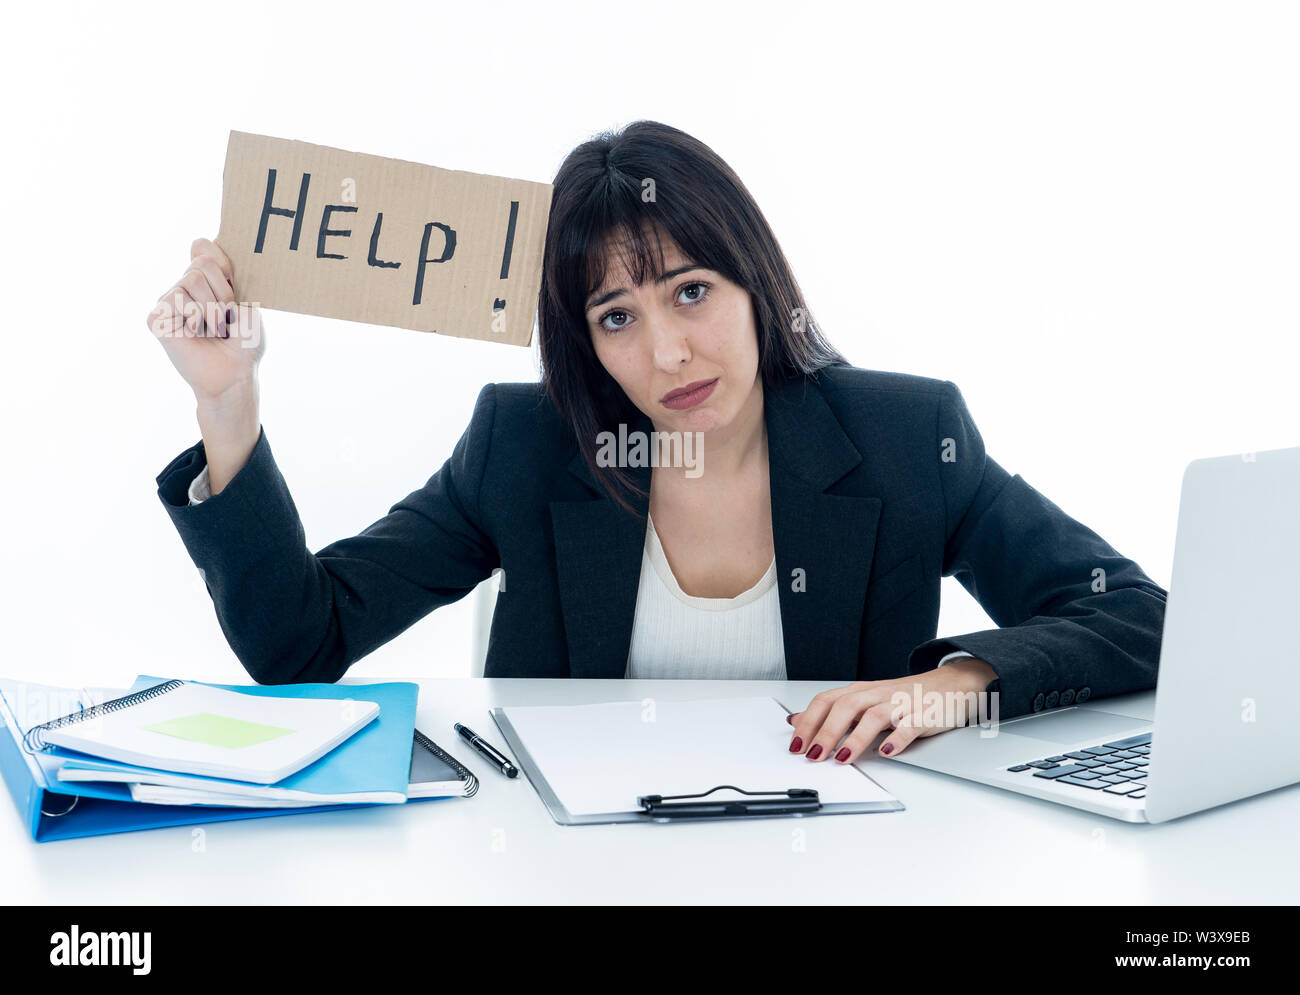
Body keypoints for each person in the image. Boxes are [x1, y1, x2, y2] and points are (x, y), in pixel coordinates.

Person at [147, 120, 1166, 765]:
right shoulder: (525, 445)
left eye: (690, 291)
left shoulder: (906, 437)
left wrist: (949, 686)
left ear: (755, 284)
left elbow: (1137, 613)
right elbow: (298, 644)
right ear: (584, 342)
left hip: (854, 865)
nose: (670, 348)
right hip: (577, 868)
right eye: (616, 315)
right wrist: (227, 402)